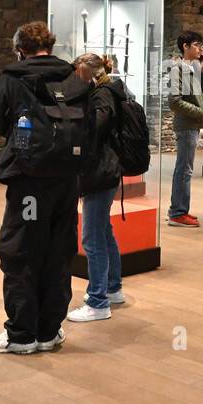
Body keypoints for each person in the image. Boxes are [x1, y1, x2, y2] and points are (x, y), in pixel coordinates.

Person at [0, 21, 84, 353]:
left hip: (29, 179)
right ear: (50, 47)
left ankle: (22, 335)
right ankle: (49, 330)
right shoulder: (73, 76)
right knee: (59, 251)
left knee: (22, 250)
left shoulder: (11, 79)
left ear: (20, 48)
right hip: (68, 178)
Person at [67, 53, 127, 321]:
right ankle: (112, 288)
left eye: (77, 73)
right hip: (105, 172)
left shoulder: (102, 96)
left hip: (100, 172)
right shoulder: (109, 92)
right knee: (103, 231)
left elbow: (94, 132)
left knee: (92, 238)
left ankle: (98, 301)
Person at [165, 31, 203, 228]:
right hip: (187, 125)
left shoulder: (192, 68)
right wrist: (198, 113)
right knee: (184, 169)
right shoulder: (177, 69)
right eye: (197, 45)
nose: (201, 49)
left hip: (192, 124)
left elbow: (202, 95)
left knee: (185, 169)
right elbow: (174, 102)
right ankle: (178, 213)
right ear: (185, 46)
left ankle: (179, 210)